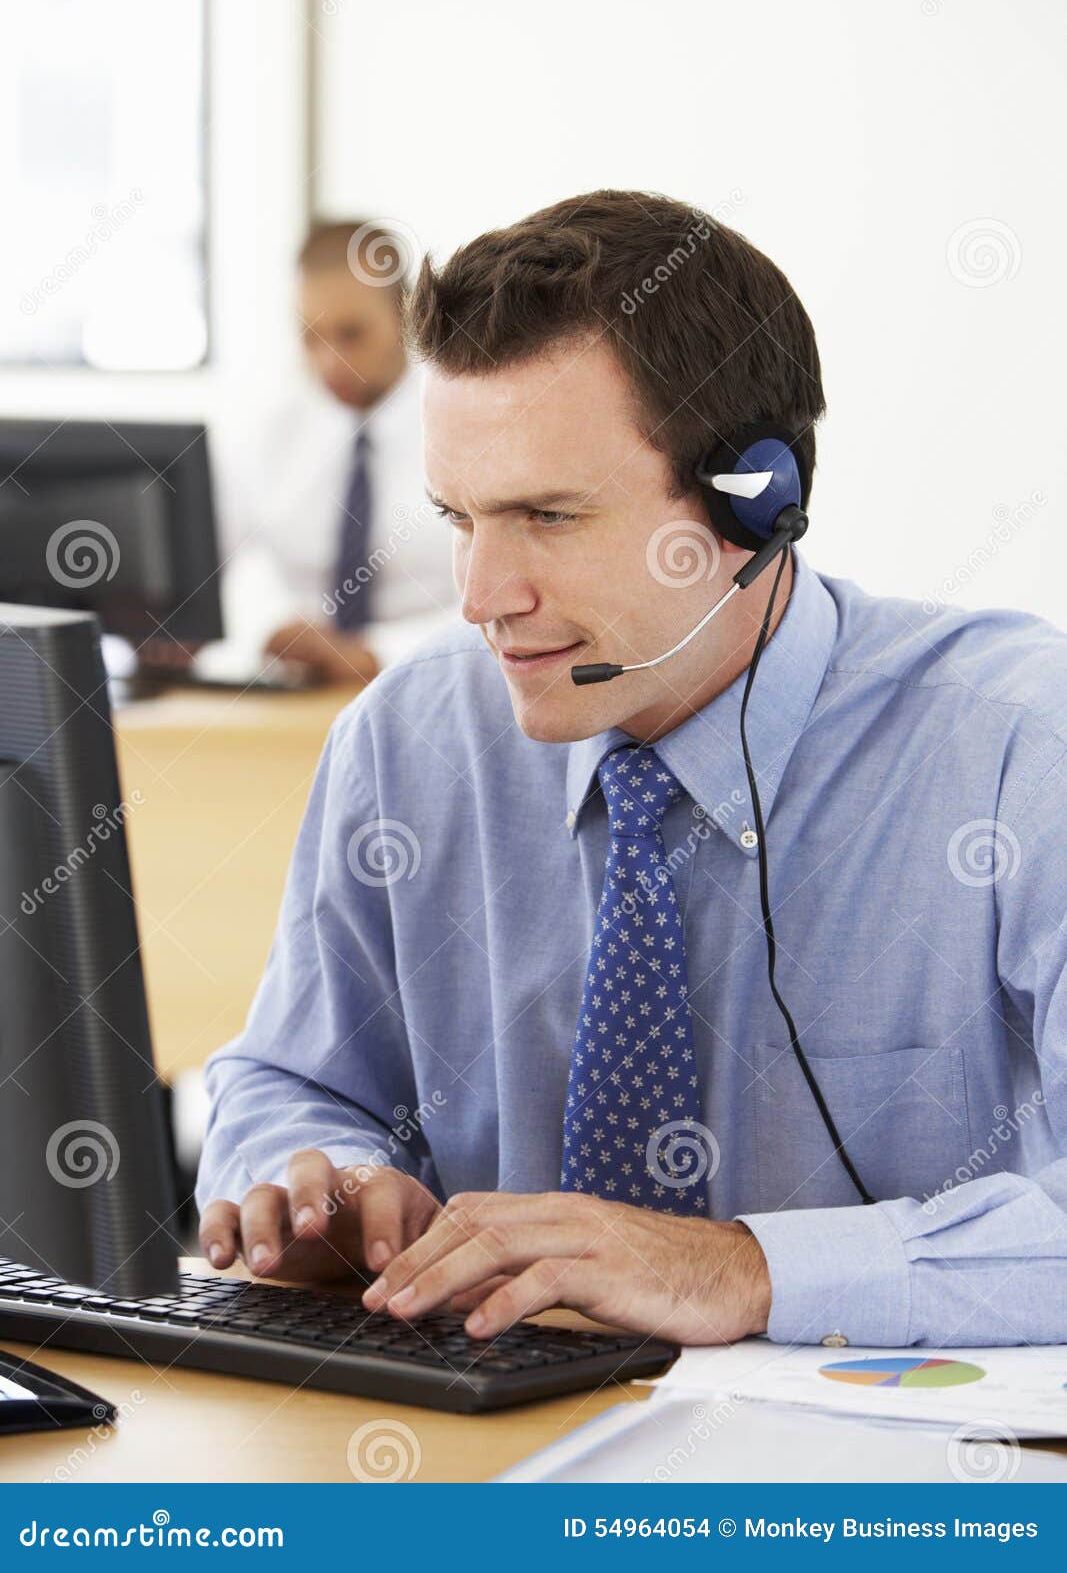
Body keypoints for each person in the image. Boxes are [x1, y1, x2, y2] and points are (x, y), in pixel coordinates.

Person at [195, 189, 1067, 1351]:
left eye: (546, 516)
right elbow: (282, 1082)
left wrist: (742, 1272)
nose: (478, 596)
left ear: (750, 505)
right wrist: (321, 1181)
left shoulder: (1013, 747)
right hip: (485, 1470)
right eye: (457, 518)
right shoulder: (406, 741)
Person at [193, 220, 455, 685]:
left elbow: (501, 603)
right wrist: (271, 624)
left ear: (408, 315)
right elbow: (216, 567)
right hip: (299, 695)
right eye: (310, 337)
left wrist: (375, 654)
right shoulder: (269, 427)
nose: (329, 363)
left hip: (433, 680)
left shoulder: (468, 423)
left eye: (351, 334)